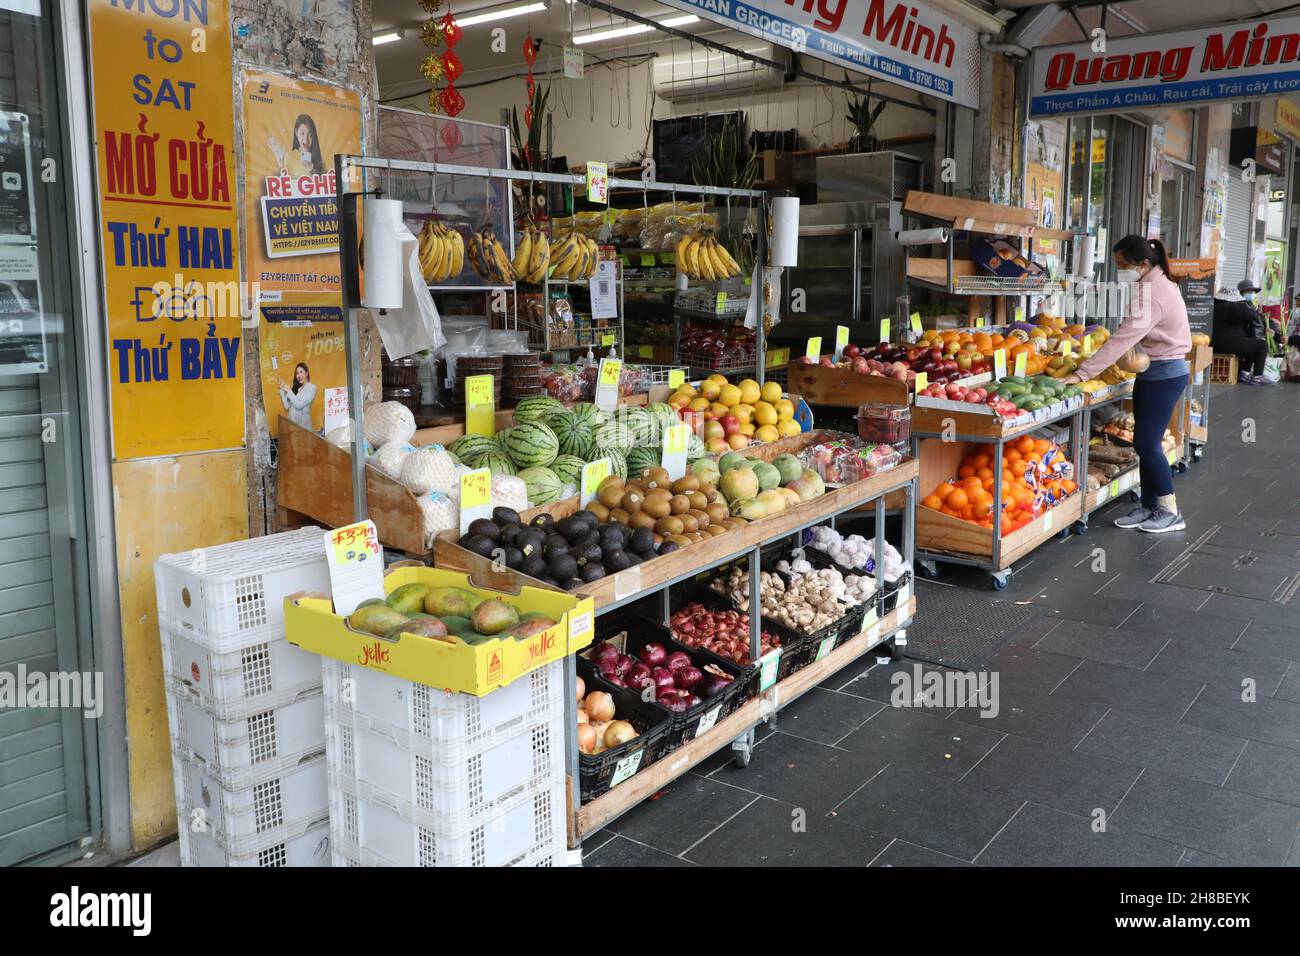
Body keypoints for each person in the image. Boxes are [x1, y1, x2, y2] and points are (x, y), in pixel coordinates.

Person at [1064, 236, 1191, 533]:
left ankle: (1171, 511)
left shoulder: (1154, 293)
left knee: (1147, 443)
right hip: (1154, 371)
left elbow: (1123, 340)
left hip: (1165, 373)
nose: (1120, 269)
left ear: (1143, 264)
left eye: (1123, 265)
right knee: (1143, 443)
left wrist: (1084, 373)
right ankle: (1150, 506)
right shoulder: (1152, 284)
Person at [1211, 281, 1270, 384]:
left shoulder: (1213, 306)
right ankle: (1256, 376)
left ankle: (1244, 373)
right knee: (1261, 345)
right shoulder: (1235, 307)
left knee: (1252, 343)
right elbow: (1252, 315)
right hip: (1230, 345)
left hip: (1213, 344)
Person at [279, 362, 317, 431]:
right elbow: (287, 406)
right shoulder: (298, 389)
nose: (299, 375)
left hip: (303, 429)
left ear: (307, 373)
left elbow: (299, 405)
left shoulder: (312, 388)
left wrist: (289, 391)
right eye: (297, 373)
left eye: (301, 372)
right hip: (292, 427)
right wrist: (282, 390)